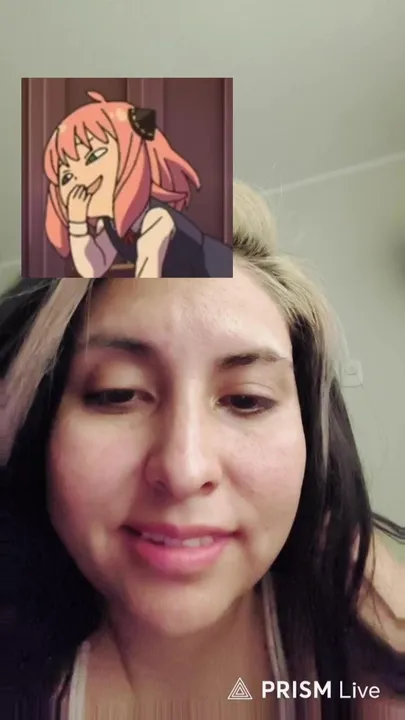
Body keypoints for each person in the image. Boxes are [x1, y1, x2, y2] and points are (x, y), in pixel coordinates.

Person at [0, 182, 403, 719]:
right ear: (38, 427)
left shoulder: (358, 611)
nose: (184, 470)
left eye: (246, 399)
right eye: (118, 393)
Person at [42, 91, 233, 278]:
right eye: (66, 177)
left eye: (94, 156)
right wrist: (77, 224)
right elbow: (93, 268)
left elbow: (147, 280)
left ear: (132, 156)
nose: (79, 178)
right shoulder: (109, 225)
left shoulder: (157, 220)